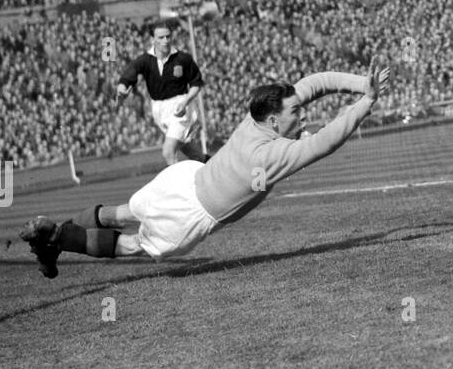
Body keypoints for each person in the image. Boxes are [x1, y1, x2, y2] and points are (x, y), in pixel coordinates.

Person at [19, 62, 389, 278]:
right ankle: (60, 240)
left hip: (185, 177)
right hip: (192, 214)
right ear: (274, 120)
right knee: (133, 245)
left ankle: (54, 232)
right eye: (296, 112)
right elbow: (327, 140)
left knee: (122, 212)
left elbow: (310, 86)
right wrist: (366, 99)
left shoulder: (253, 120)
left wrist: (360, 84)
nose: (303, 112)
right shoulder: (272, 155)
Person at [116, 20, 206, 165]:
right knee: (190, 151)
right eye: (161, 37)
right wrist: (122, 89)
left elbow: (196, 84)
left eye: (168, 37)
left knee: (168, 152)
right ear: (152, 40)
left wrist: (186, 101)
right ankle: (209, 164)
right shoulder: (145, 60)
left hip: (180, 106)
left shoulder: (183, 59)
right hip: (159, 110)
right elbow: (128, 77)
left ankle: (178, 187)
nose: (165, 41)